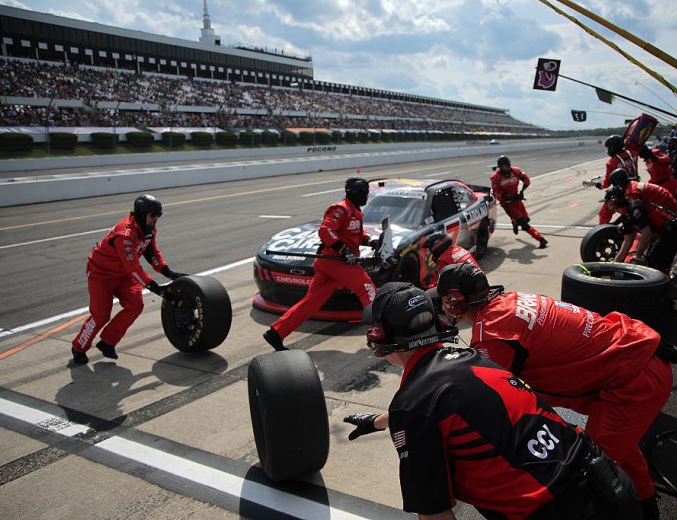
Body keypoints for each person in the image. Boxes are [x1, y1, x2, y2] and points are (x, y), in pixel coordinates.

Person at [350, 282, 640, 520]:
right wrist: (379, 422)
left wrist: (399, 418)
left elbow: (435, 514)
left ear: (380, 337)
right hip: (611, 487)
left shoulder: (412, 406)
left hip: (563, 511)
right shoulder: (474, 357)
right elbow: (443, 407)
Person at [429, 263, 674, 519]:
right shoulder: (510, 301)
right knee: (624, 456)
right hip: (636, 356)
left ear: (455, 301)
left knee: (592, 476)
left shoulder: (492, 333)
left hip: (632, 380)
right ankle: (647, 510)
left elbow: (482, 397)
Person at [263, 178, 378, 351]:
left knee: (311, 302)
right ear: (354, 192)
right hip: (335, 261)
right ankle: (380, 333)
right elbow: (325, 231)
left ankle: (276, 333)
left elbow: (355, 234)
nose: (367, 196)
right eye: (365, 192)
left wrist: (370, 242)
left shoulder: (354, 211)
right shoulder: (341, 209)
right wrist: (344, 251)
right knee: (367, 288)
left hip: (331, 263)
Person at [71, 194, 186, 364]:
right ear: (141, 214)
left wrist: (167, 271)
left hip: (124, 275)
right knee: (101, 316)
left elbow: (151, 252)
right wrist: (156, 288)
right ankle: (78, 347)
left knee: (136, 305)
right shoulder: (124, 234)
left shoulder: (148, 229)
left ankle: (107, 342)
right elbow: (133, 267)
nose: (156, 219)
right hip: (101, 275)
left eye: (158, 215)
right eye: (153, 215)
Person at [606, 169, 677, 273]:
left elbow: (646, 232)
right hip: (666, 219)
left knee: (653, 269)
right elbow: (628, 240)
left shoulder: (633, 200)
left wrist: (637, 256)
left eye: (609, 203)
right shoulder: (628, 205)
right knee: (651, 259)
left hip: (673, 225)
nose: (608, 207)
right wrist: (615, 262)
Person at [490, 155, 548, 248]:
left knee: (526, 219)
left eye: (504, 166)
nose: (502, 169)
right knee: (524, 224)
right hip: (507, 203)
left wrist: (522, 191)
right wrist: (506, 195)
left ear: (509, 165)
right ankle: (541, 239)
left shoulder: (515, 171)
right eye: (500, 167)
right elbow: (495, 191)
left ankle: (514, 222)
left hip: (517, 200)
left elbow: (526, 179)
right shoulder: (495, 177)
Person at [598, 135, 639, 224]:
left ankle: (602, 233)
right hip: (636, 186)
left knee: (605, 212)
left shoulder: (611, 162)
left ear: (613, 147)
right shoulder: (633, 154)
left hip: (622, 191)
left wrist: (600, 186)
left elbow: (607, 183)